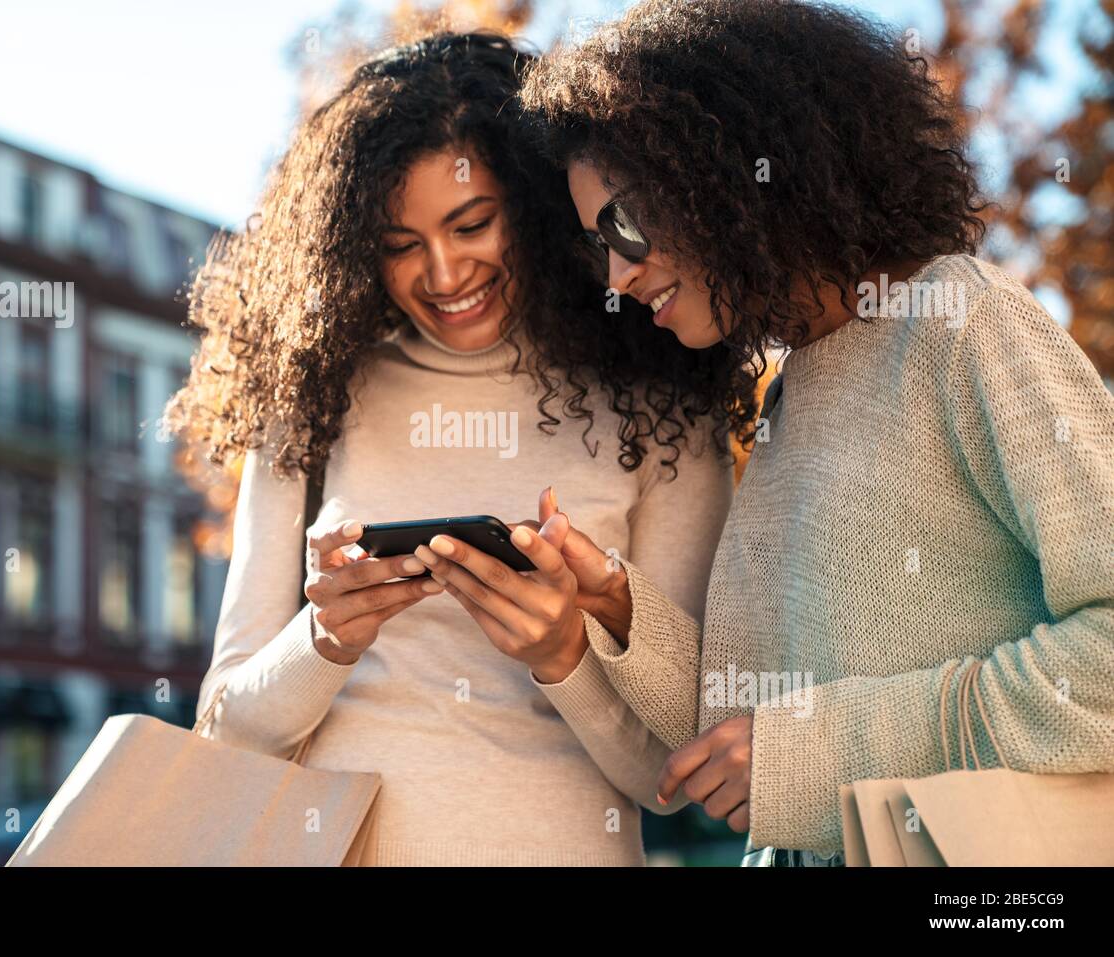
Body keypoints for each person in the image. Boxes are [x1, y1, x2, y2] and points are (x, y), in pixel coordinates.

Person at [422, 0, 1114, 865]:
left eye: (625, 227)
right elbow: (751, 738)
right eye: (597, 246)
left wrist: (828, 749)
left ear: (722, 173)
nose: (618, 273)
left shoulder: (962, 323)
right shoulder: (791, 391)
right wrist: (619, 606)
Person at [167, 32, 741, 865]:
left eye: (471, 224)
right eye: (401, 244)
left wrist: (565, 655)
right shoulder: (311, 401)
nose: (441, 274)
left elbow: (671, 763)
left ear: (538, 211)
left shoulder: (665, 410)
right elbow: (225, 730)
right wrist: (324, 638)